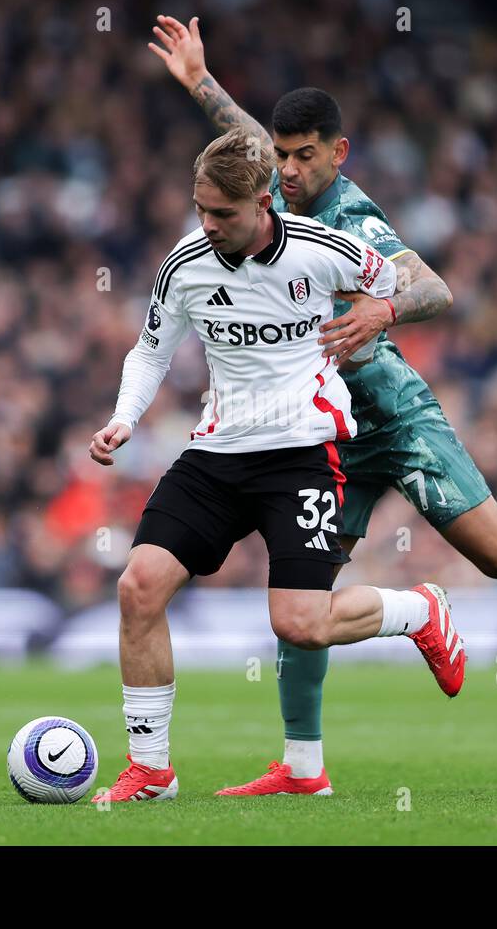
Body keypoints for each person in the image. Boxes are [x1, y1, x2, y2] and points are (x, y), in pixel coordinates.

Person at [150, 15, 497, 796]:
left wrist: (382, 311)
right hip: (320, 431)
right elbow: (242, 136)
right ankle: (303, 767)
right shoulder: (266, 188)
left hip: (390, 415)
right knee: (304, 600)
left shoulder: (352, 216)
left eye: (306, 156)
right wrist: (199, 79)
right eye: (283, 155)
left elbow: (434, 284)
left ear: (340, 153)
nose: (290, 170)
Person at [86, 130, 467, 802]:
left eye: (222, 214)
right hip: (216, 453)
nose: (207, 224)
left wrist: (383, 311)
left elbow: (413, 289)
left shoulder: (325, 251)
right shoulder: (186, 262)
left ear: (264, 203)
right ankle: (151, 771)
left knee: (299, 623)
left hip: (301, 455)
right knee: (138, 587)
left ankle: (418, 610)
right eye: (200, 209)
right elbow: (150, 350)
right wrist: (124, 417)